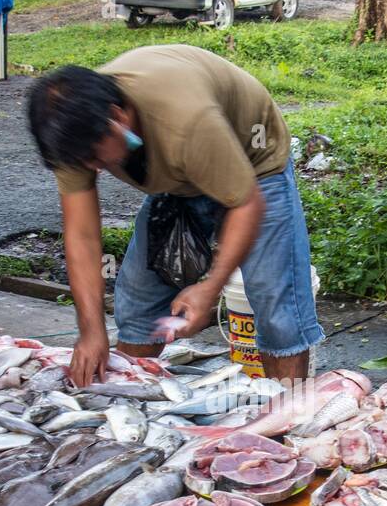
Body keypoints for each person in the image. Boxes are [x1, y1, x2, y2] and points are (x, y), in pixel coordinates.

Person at [26, 45, 324, 387]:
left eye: (96, 158)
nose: (92, 169)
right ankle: (128, 394)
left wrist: (210, 287)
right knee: (138, 303)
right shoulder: (72, 137)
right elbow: (82, 235)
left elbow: (246, 204)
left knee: (276, 308)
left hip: (255, 167)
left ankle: (290, 410)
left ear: (117, 117)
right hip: (178, 179)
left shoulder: (186, 121)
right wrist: (91, 330)